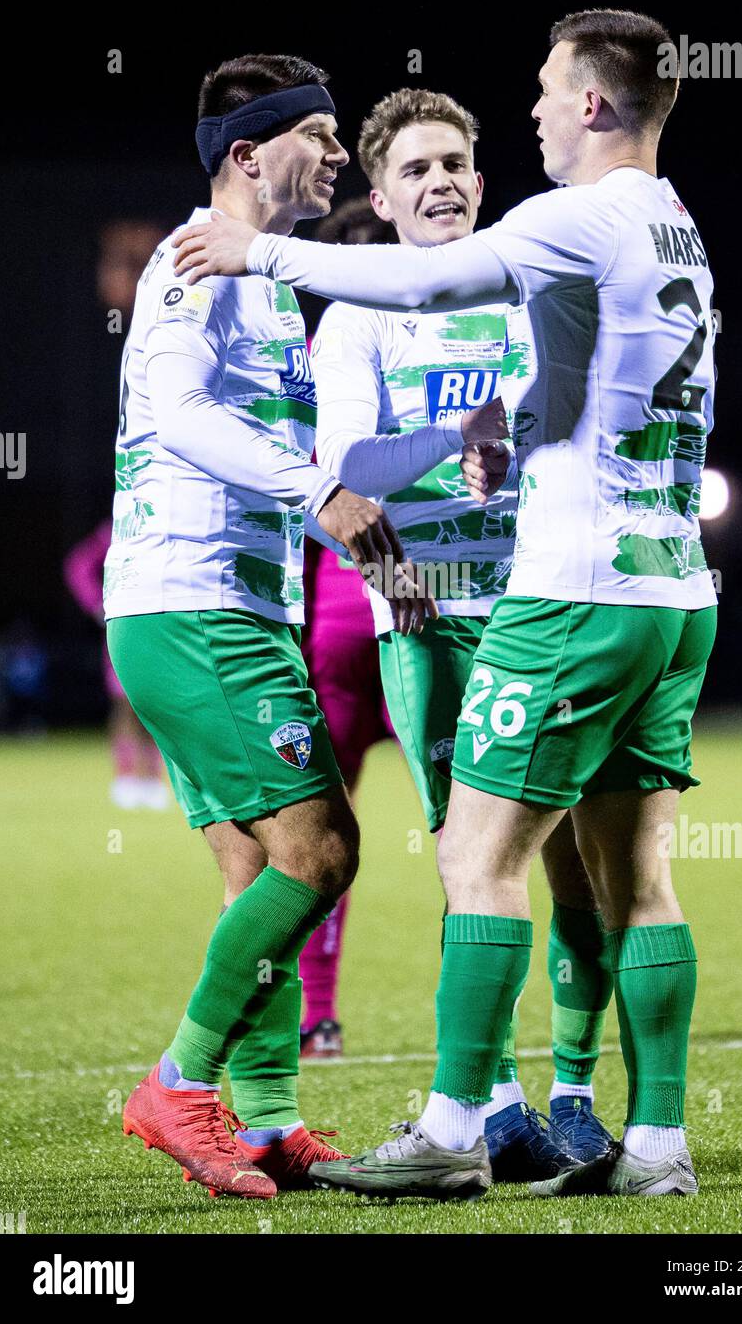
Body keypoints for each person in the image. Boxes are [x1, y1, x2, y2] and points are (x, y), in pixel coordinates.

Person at [172, 9, 719, 1201]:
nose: (525, 112)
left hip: (568, 594)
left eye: (540, 88)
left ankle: (455, 1124)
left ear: (589, 102)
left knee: (475, 854)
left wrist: (255, 250)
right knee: (637, 879)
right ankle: (658, 1147)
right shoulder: (674, 226)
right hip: (671, 589)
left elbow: (422, 279)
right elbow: (602, 391)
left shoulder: (574, 215)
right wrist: (503, 431)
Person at [108, 52, 424, 1200]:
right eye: (321, 133)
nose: (339, 152)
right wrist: (320, 495)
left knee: (261, 879)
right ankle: (178, 1084)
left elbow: (302, 451)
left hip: (221, 610)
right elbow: (174, 410)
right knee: (324, 850)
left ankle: (273, 1119)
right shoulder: (196, 263)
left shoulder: (270, 284)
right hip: (195, 606)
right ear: (248, 151)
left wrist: (390, 508)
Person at [310, 88, 614, 1179]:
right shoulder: (356, 320)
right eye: (414, 170)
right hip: (427, 622)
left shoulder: (531, 285)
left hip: (546, 610)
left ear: (481, 184)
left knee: (579, 855)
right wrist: (450, 443)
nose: (438, 182)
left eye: (454, 164)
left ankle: (576, 1093)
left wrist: (520, 448)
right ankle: (495, 1105)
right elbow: (344, 475)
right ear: (382, 198)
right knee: (463, 856)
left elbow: (582, 421)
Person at [298, 201, 398, 1060]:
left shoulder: (311, 353)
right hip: (418, 602)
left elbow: (294, 498)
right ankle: (489, 1056)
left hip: (334, 620)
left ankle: (316, 1017)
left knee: (322, 833)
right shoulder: (428, 329)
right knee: (479, 831)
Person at [64, 519, 168, 810]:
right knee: (125, 703)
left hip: (160, 625)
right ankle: (126, 776)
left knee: (154, 704)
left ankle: (152, 778)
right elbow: (79, 564)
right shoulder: (118, 527)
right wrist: (97, 604)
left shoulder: (167, 521)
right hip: (124, 622)